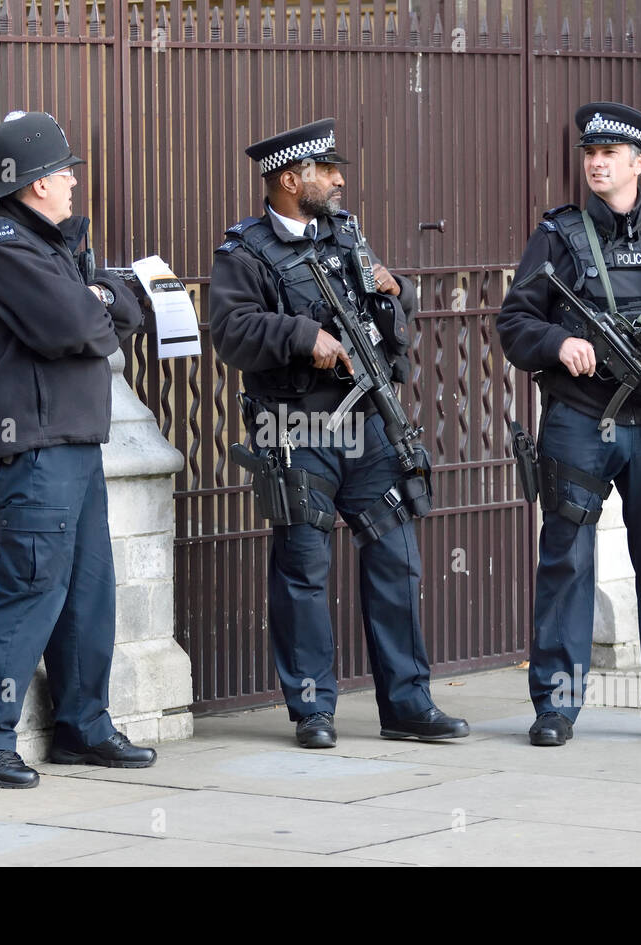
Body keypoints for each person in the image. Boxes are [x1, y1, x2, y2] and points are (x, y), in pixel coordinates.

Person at [209, 118, 469, 748]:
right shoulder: (242, 254)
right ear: (292, 179)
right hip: (297, 429)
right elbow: (232, 332)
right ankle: (312, 711)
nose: (340, 179)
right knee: (303, 568)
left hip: (369, 427)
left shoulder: (346, 234)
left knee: (396, 558)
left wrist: (397, 289)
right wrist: (303, 336)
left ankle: (408, 705)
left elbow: (383, 310)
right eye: (328, 171)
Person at [495, 102, 641, 747]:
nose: (596, 163)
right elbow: (514, 322)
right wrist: (557, 346)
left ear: (640, 163)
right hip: (580, 419)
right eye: (589, 153)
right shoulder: (558, 235)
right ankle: (555, 707)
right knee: (567, 563)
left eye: (609, 154)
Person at [0, 110, 155, 787]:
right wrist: (96, 297)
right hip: (34, 449)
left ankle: (81, 726)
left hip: (73, 443)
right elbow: (81, 328)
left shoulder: (51, 245)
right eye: (65, 171)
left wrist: (97, 291)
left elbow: (126, 308)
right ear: (37, 183)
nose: (72, 181)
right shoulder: (6, 248)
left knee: (88, 593)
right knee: (31, 587)